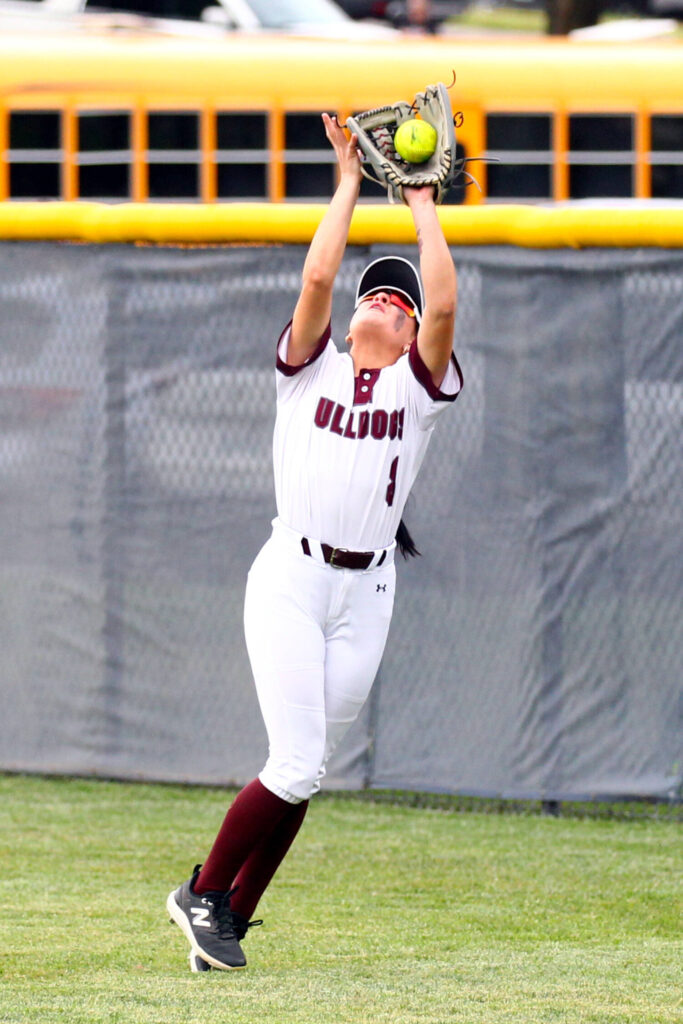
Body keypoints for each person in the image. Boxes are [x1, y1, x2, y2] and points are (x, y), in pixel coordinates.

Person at [166, 112, 463, 972]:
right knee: (296, 761)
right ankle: (200, 894)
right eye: (377, 292)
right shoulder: (310, 371)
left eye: (397, 302)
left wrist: (420, 206)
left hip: (365, 595)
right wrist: (345, 182)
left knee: (309, 768)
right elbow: (318, 276)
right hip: (291, 580)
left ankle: (226, 917)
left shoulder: (415, 394)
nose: (386, 301)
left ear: (411, 338)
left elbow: (443, 298)